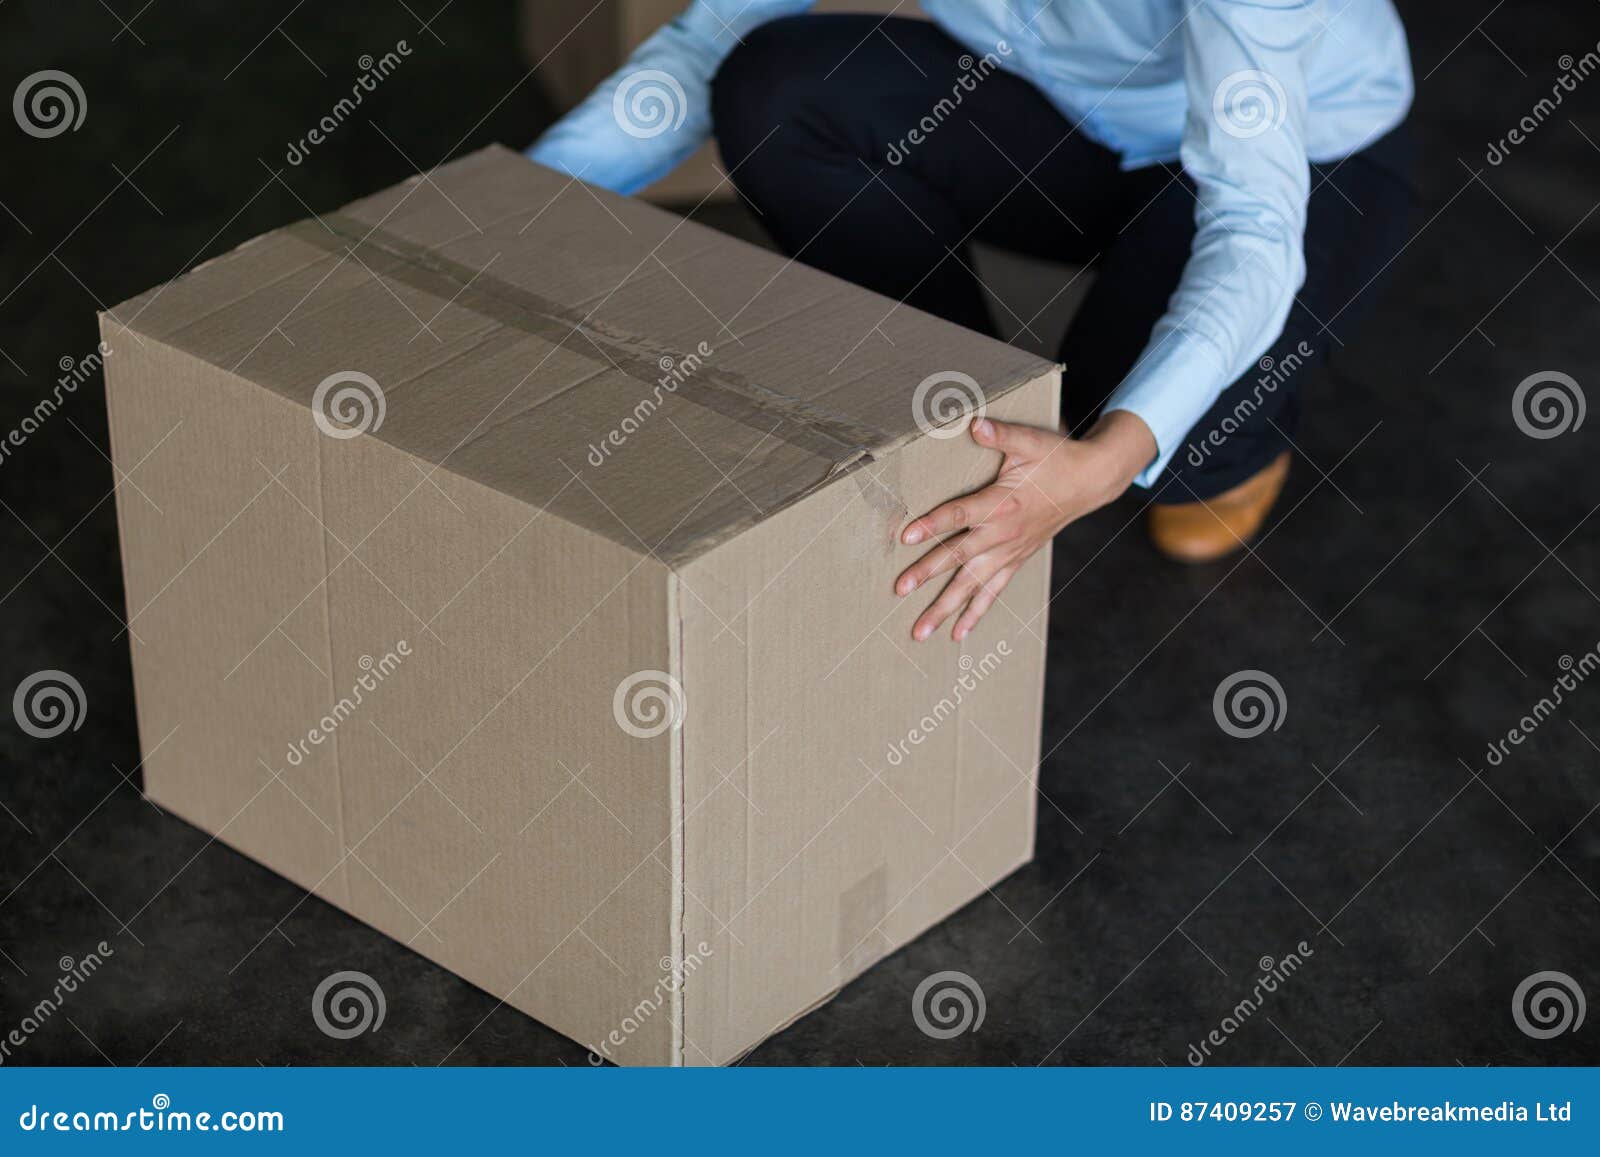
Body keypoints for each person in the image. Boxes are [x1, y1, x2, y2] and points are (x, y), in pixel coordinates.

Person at [528, 1, 1416, 643]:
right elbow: (708, 43)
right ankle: (954, 428)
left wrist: (1107, 459)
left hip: (1303, 151)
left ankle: (1228, 461)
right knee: (779, 90)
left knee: (1145, 422)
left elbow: (1254, 227)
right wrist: (496, 209)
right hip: (1075, 113)